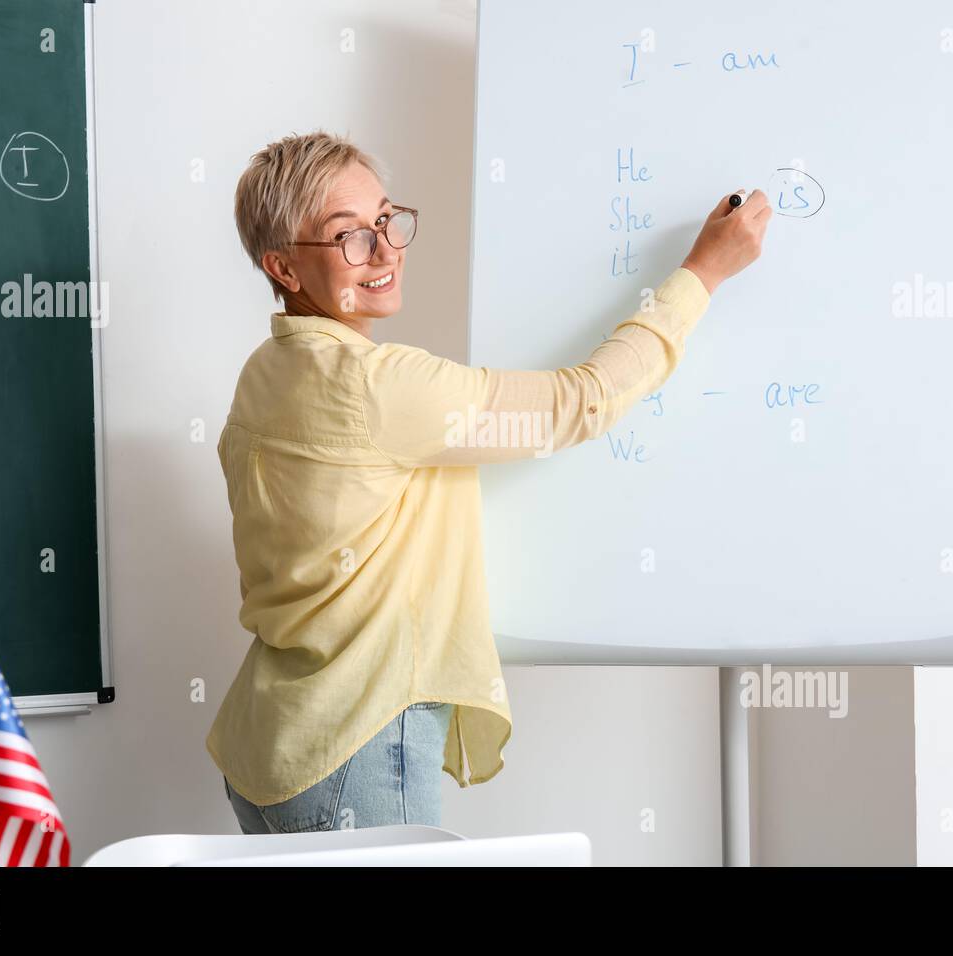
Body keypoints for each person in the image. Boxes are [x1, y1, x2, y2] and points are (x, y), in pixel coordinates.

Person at [210, 129, 771, 835]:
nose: (385, 251)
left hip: (267, 751)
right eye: (349, 236)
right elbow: (582, 401)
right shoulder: (377, 388)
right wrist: (702, 275)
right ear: (284, 268)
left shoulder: (264, 372)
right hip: (355, 751)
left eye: (386, 220)